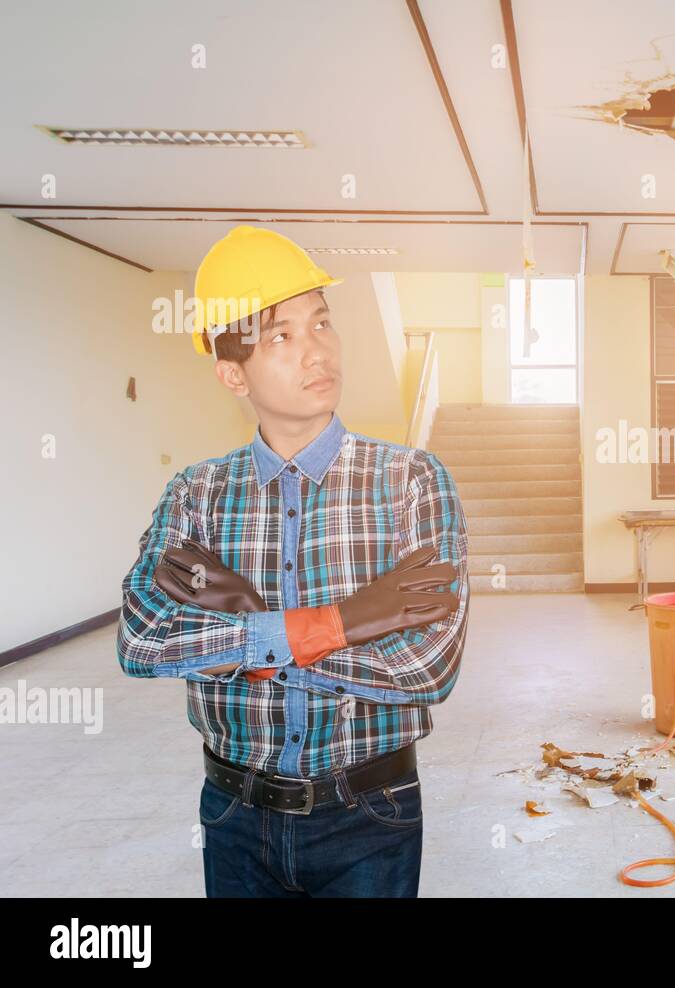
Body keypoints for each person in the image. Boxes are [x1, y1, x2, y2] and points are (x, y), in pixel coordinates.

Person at [116, 225, 470, 897]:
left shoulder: (412, 481)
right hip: (232, 814)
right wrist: (341, 622)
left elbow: (429, 665)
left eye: (322, 323)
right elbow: (141, 640)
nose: (317, 351)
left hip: (371, 810)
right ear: (231, 371)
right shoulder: (197, 494)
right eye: (280, 336)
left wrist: (248, 630)